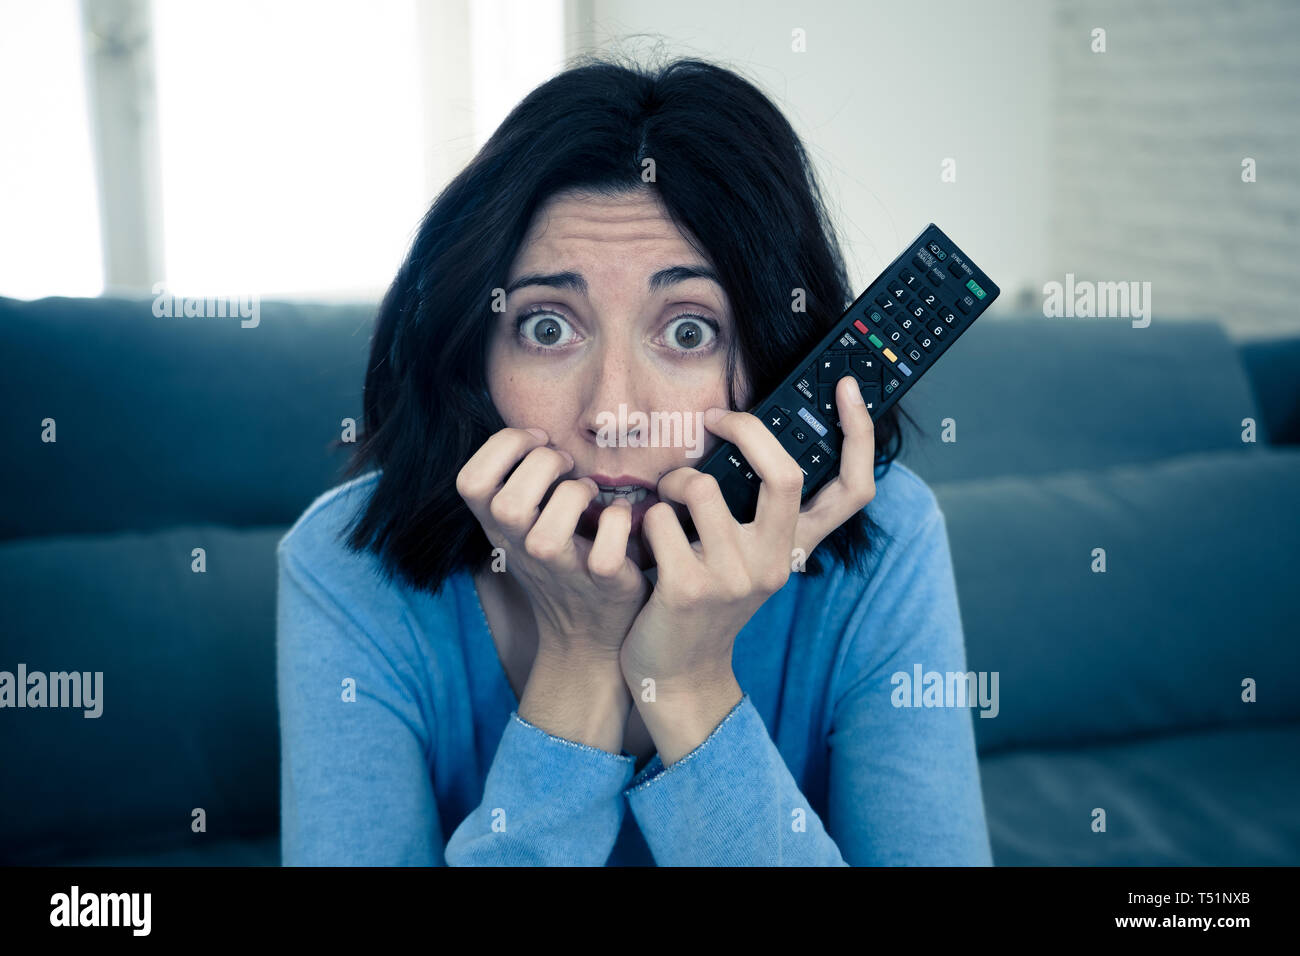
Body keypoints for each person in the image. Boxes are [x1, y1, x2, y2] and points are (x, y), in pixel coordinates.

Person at [276, 54, 992, 866]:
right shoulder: (342, 566)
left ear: (774, 360)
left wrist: (687, 684)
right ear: (473, 355)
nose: (613, 415)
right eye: (548, 327)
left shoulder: (890, 539)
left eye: (689, 331)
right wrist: (579, 665)